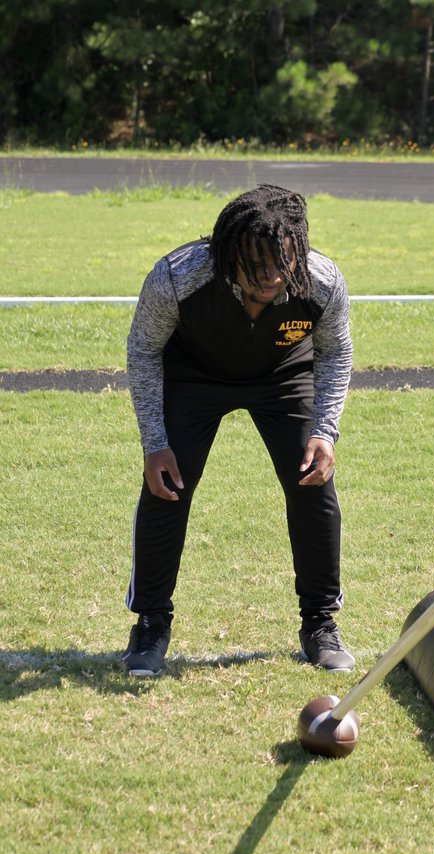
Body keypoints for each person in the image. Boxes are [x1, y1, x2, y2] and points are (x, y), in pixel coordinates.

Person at [123, 183, 355, 677]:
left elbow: (335, 352)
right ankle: (150, 623)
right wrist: (155, 443)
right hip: (195, 375)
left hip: (283, 375)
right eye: (255, 264)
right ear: (228, 253)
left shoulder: (321, 280)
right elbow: (144, 350)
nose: (270, 276)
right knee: (168, 486)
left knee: (312, 479)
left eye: (281, 262)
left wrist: (325, 430)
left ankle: (319, 623)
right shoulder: (178, 277)